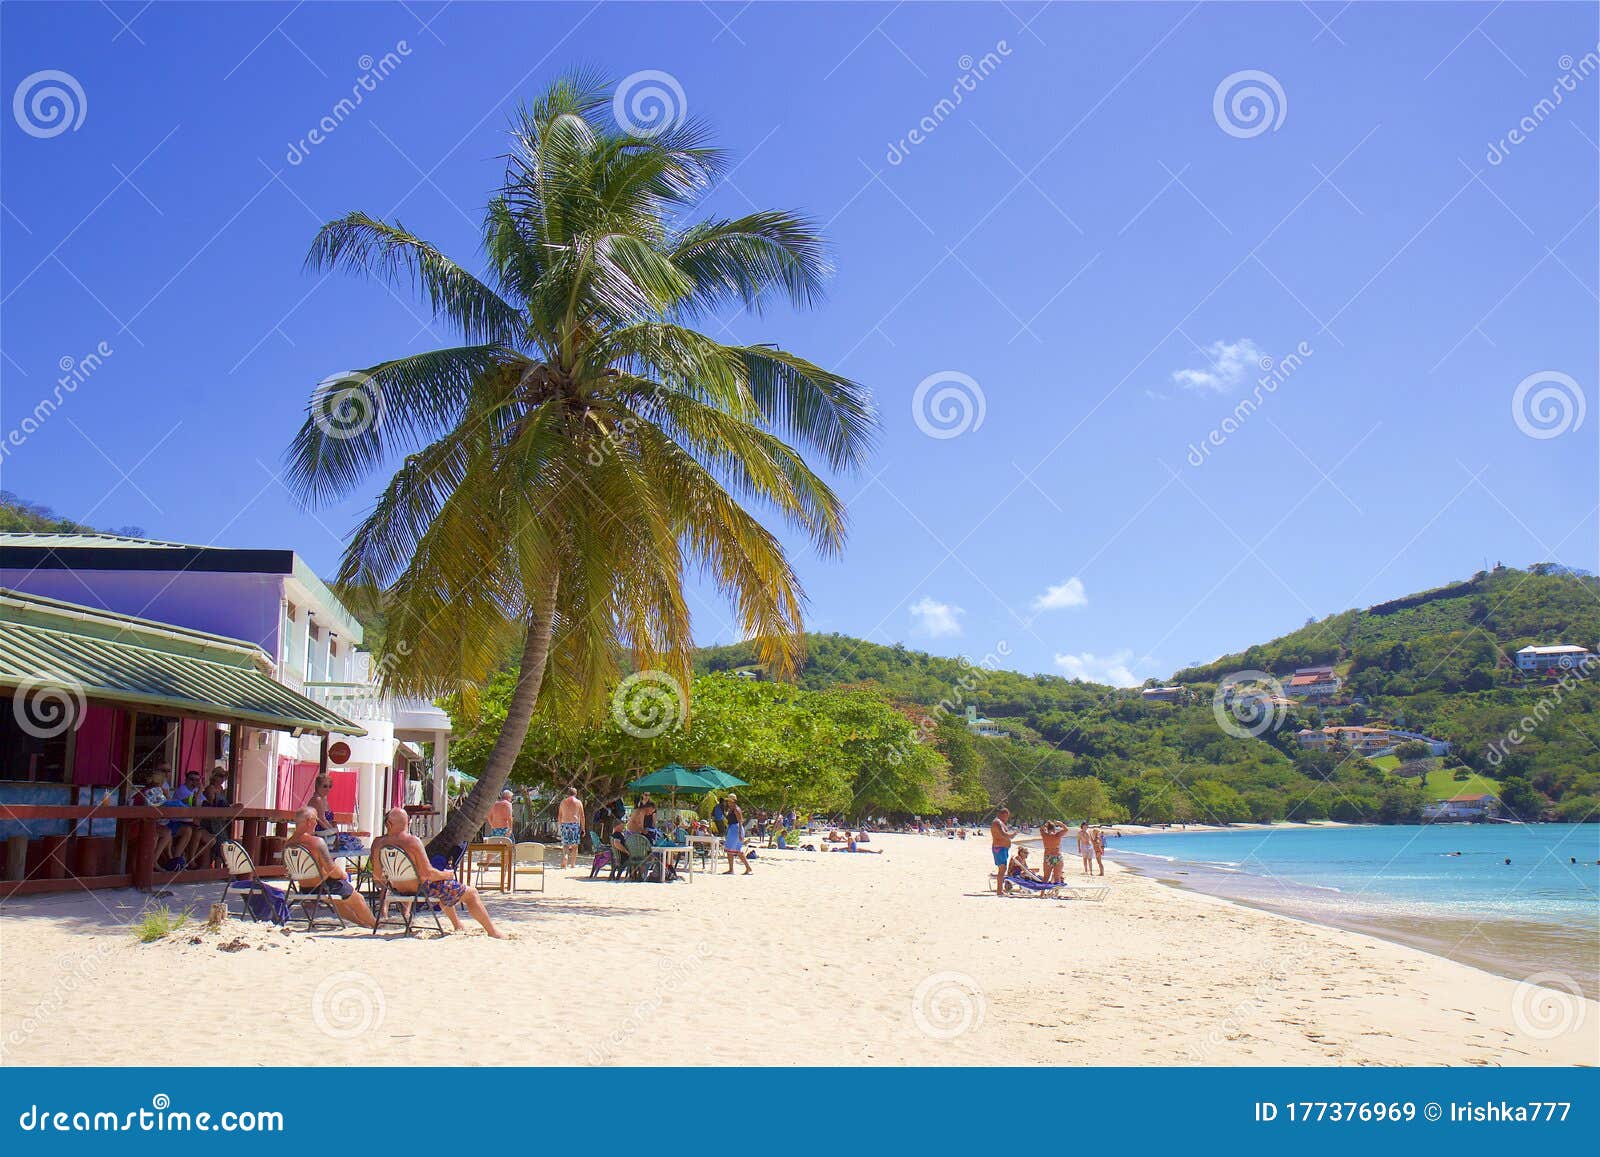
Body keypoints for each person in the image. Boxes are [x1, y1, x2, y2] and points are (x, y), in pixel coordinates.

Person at [371, 807, 502, 937]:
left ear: (388, 824)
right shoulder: (412, 842)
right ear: (408, 822)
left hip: (397, 890)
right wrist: (447, 874)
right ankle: (493, 932)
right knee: (471, 893)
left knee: (444, 887)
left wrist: (396, 879)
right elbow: (428, 874)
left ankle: (458, 925)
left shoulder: (377, 843)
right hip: (422, 889)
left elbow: (377, 877)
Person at [286, 808, 376, 928]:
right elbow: (332, 870)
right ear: (309, 821)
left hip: (304, 888)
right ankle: (374, 924)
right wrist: (343, 875)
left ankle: (361, 923)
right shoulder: (316, 842)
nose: (316, 823)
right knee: (358, 898)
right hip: (324, 887)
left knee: (339, 903)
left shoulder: (288, 844)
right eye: (315, 819)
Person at [131, 769, 178, 868]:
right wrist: (166, 795)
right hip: (137, 826)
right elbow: (164, 810)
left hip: (143, 824)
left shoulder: (149, 791)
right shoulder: (151, 792)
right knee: (162, 833)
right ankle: (152, 863)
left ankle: (156, 861)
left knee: (166, 832)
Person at [721, 793, 753, 875]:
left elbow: (740, 821)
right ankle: (747, 868)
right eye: (728, 801)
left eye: (730, 801)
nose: (728, 803)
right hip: (732, 828)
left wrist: (739, 833)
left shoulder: (736, 809)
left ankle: (732, 869)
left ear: (734, 801)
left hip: (736, 829)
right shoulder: (731, 809)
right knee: (737, 850)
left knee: (730, 849)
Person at [557, 786, 585, 869]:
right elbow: (582, 816)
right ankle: (573, 864)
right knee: (574, 846)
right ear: (576, 794)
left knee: (565, 844)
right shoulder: (578, 802)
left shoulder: (563, 802)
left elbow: (559, 815)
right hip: (574, 824)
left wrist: (560, 825)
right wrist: (583, 828)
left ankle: (565, 856)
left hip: (565, 824)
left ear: (567, 794)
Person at [989, 808, 1015, 897]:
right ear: (1002, 814)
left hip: (1003, 848)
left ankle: (1000, 890)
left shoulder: (1001, 822)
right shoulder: (997, 822)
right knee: (1002, 868)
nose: (1007, 818)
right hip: (999, 848)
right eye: (1007, 816)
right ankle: (999, 891)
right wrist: (1011, 835)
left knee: (1003, 869)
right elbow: (1002, 833)